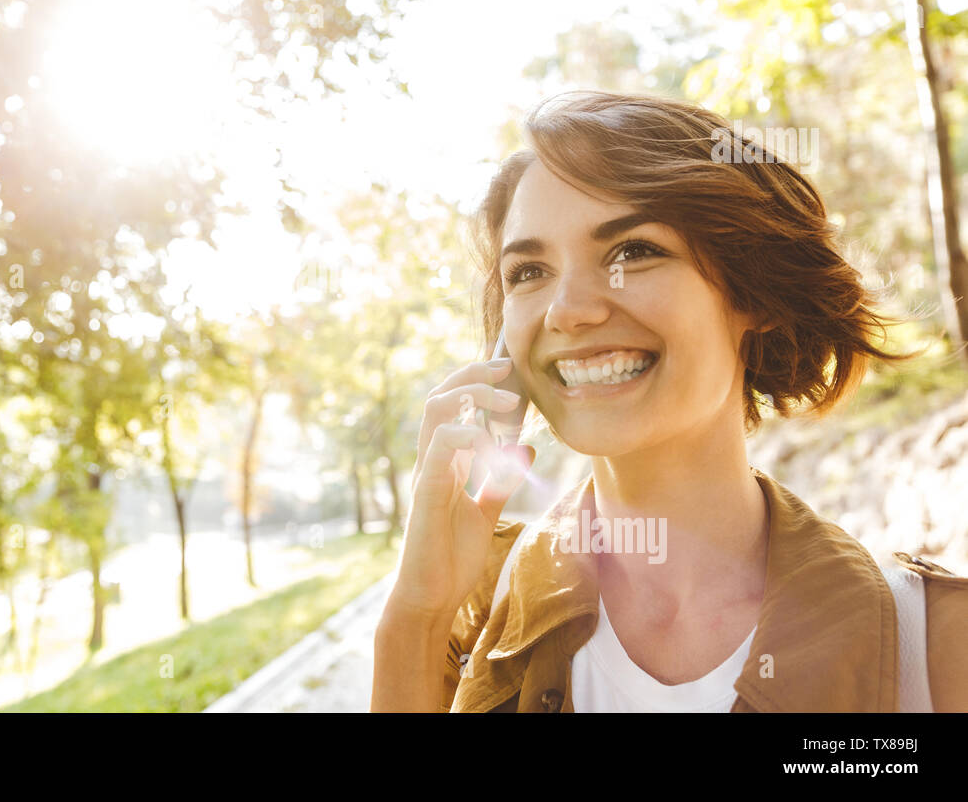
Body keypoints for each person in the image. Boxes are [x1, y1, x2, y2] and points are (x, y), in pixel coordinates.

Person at [371, 90, 968, 713]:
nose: (569, 311)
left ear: (751, 292)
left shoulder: (933, 647)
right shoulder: (467, 623)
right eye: (529, 271)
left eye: (633, 251)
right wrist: (417, 617)